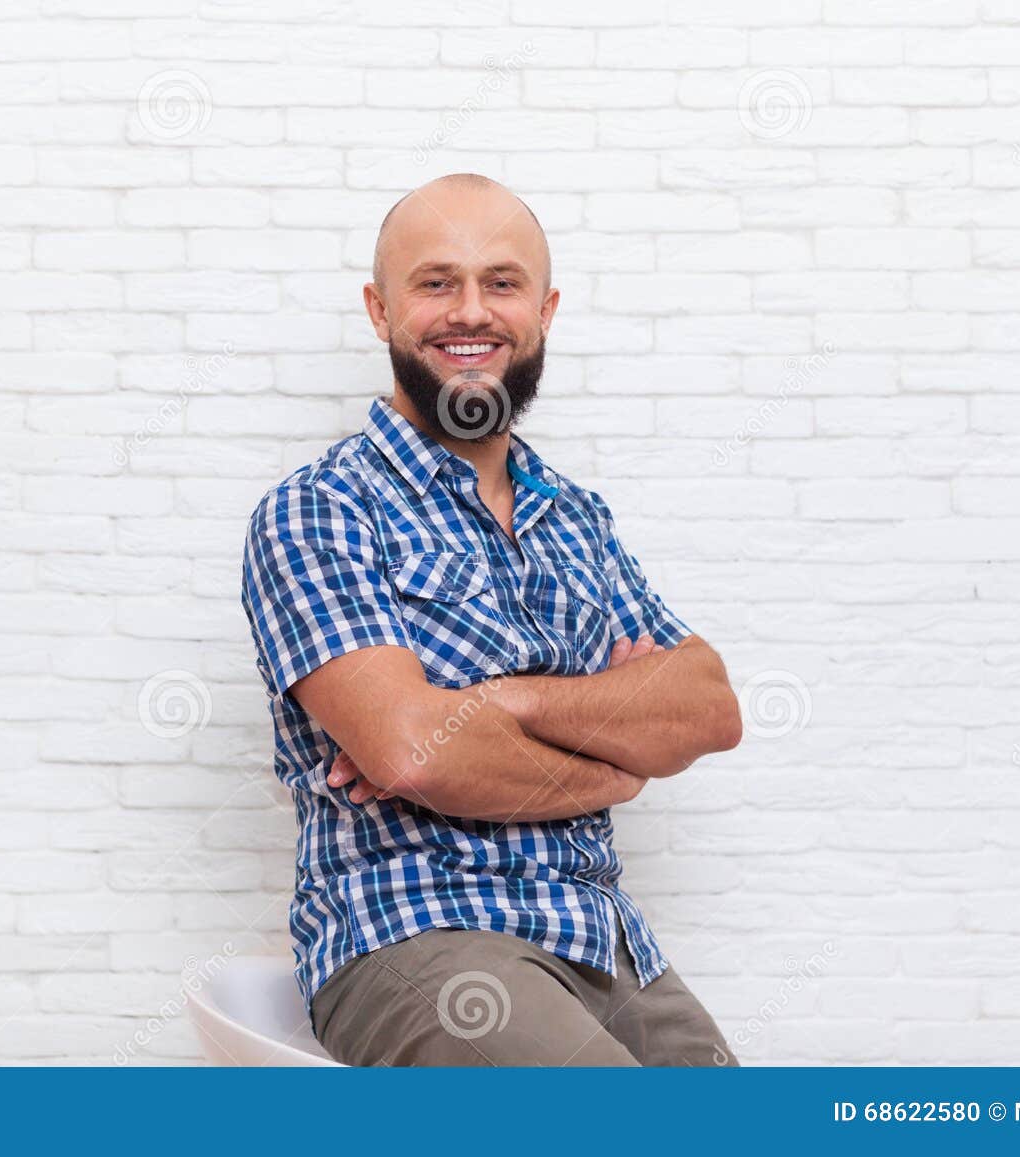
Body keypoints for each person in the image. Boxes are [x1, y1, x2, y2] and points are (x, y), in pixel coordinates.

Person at [239, 173, 743, 1066]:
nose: (469, 311)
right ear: (380, 310)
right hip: (417, 931)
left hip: (607, 946)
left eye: (501, 283)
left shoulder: (577, 518)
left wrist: (501, 701)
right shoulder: (321, 510)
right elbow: (413, 752)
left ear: (544, 311)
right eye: (436, 283)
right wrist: (615, 761)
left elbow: (706, 709)